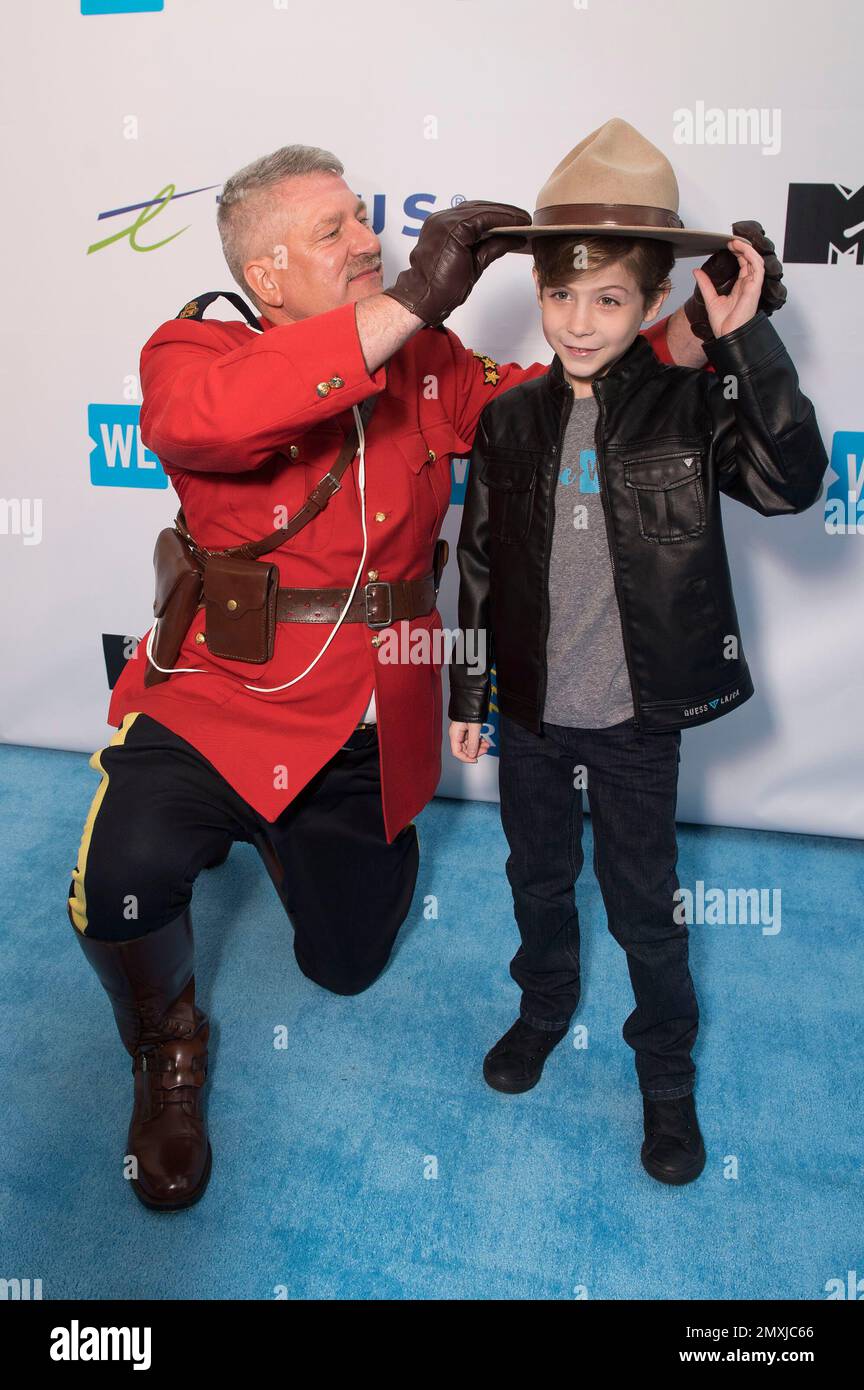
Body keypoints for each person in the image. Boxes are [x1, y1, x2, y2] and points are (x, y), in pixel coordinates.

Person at [65, 139, 780, 1210]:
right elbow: (205, 421)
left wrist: (696, 324)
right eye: (336, 230)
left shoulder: (426, 360)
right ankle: (166, 1049)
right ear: (266, 272)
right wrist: (402, 308)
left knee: (346, 962)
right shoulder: (191, 350)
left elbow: (564, 389)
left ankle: (290, 844)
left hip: (360, 721)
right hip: (222, 698)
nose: (370, 240)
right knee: (121, 878)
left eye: (365, 217)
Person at [447, 118, 828, 1185]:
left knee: (644, 903)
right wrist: (469, 686)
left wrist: (746, 338)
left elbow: (793, 483)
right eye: (561, 294)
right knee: (536, 877)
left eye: (608, 297)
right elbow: (476, 560)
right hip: (527, 709)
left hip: (633, 720)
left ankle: (664, 1073)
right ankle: (544, 1005)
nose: (578, 319)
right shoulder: (512, 418)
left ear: (654, 303)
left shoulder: (691, 400)